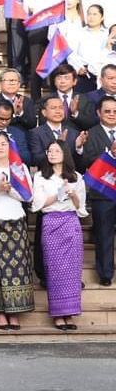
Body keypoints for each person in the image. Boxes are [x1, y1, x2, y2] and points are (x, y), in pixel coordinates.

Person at [0, 132, 36, 330]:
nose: (0, 147)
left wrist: (9, 189)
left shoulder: (19, 167)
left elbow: (28, 196)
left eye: (4, 144)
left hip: (15, 221)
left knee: (18, 268)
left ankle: (15, 311)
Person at [32, 140, 86, 330]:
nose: (52, 154)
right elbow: (38, 204)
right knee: (54, 269)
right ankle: (57, 314)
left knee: (72, 270)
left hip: (70, 222)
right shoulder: (40, 176)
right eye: (50, 151)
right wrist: (58, 194)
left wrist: (71, 193)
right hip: (51, 222)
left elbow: (80, 207)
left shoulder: (76, 177)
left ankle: (70, 313)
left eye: (57, 150)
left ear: (65, 153)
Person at [76, 96, 116, 285]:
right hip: (102, 194)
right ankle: (105, 274)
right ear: (99, 113)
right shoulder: (90, 134)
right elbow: (85, 163)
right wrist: (109, 155)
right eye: (107, 111)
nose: (112, 114)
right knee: (103, 235)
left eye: (115, 111)